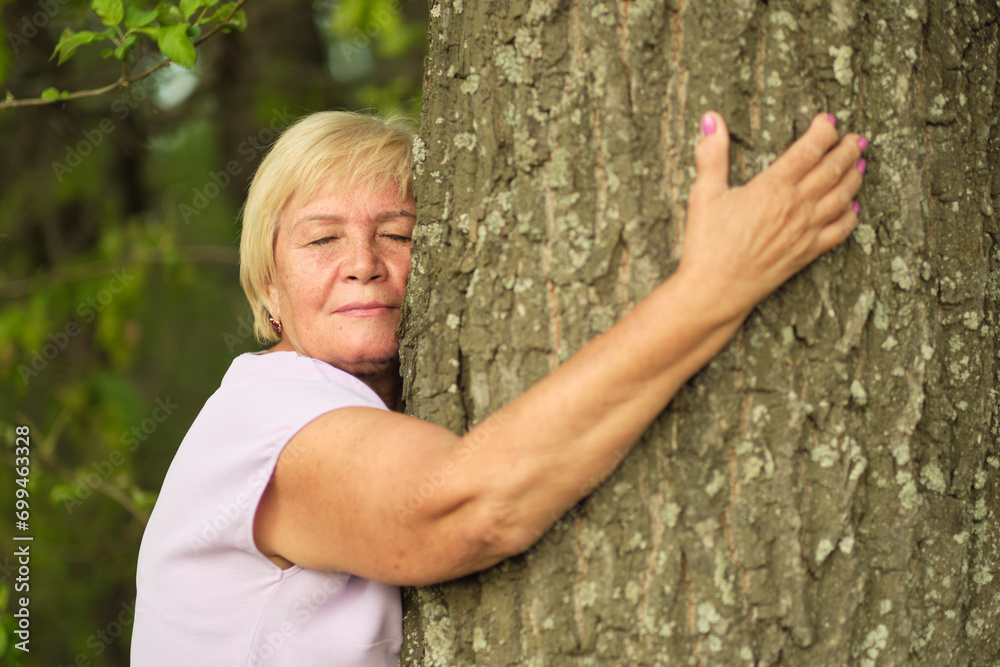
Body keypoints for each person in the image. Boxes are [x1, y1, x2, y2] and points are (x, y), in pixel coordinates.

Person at [131, 109, 867, 665]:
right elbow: (462, 507)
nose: (363, 261)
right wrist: (712, 287)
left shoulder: (356, 410)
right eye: (322, 238)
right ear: (266, 286)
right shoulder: (265, 410)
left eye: (400, 233)